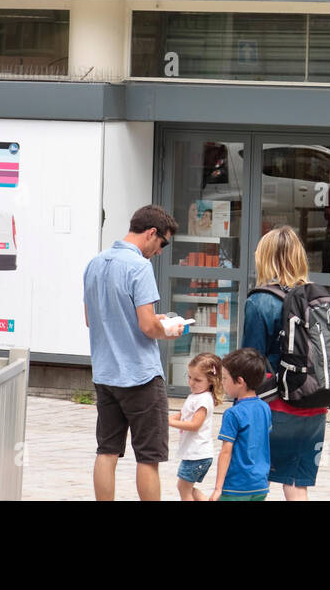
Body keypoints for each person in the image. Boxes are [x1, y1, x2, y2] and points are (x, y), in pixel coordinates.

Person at [83, 204, 184, 501]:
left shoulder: (94, 263)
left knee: (107, 451)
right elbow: (146, 326)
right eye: (162, 243)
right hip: (140, 374)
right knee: (148, 457)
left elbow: (90, 320)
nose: (161, 250)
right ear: (151, 233)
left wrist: (153, 321)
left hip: (105, 374)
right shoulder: (139, 266)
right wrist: (168, 328)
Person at [241, 226, 326, 501]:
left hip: (274, 404)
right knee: (294, 481)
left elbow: (251, 362)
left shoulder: (260, 301)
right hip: (315, 402)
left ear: (264, 258)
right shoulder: (317, 297)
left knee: (252, 477)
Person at [210, 347, 273, 502]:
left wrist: (218, 487)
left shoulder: (233, 413)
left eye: (225, 378)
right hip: (259, 484)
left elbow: (226, 451)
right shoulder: (265, 408)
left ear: (240, 381)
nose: (222, 383)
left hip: (236, 487)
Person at [170, 352, 222, 501]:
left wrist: (169, 422)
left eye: (198, 380)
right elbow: (181, 414)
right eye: (190, 377)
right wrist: (165, 418)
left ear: (211, 381)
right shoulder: (195, 396)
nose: (192, 383)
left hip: (197, 454)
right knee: (186, 488)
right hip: (194, 454)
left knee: (184, 489)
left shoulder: (204, 400)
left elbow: (194, 425)